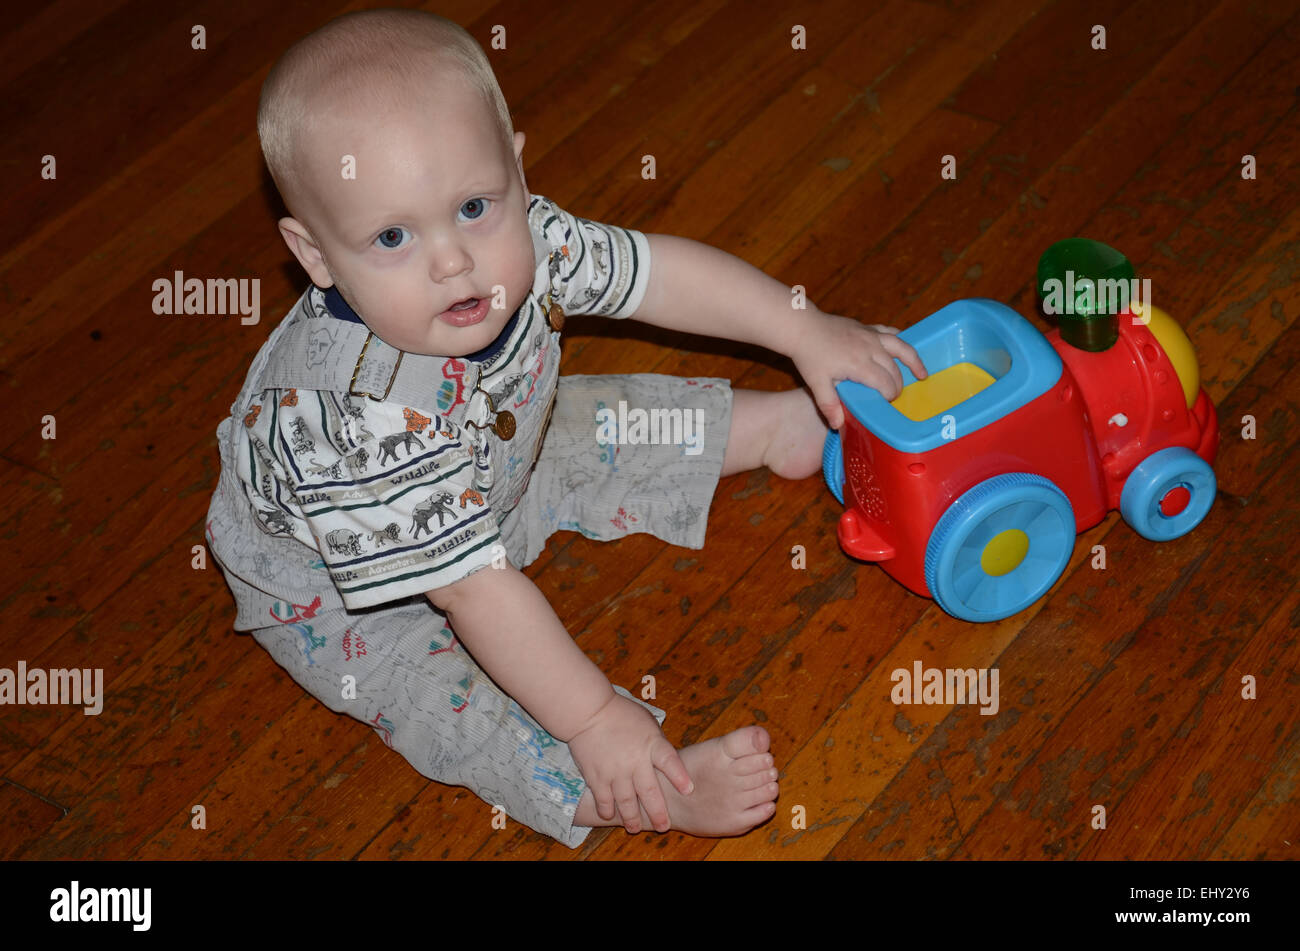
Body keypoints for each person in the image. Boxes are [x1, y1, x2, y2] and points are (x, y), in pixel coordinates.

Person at [205, 8, 925, 848]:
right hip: (345, 590)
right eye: (393, 236)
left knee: (597, 418)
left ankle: (764, 427)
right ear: (316, 255)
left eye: (475, 204)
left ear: (513, 167)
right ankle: (647, 786)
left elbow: (657, 275)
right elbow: (472, 590)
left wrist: (804, 328)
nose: (452, 260)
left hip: (496, 454)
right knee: (446, 701)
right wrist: (594, 717)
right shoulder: (348, 423)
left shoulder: (527, 238)